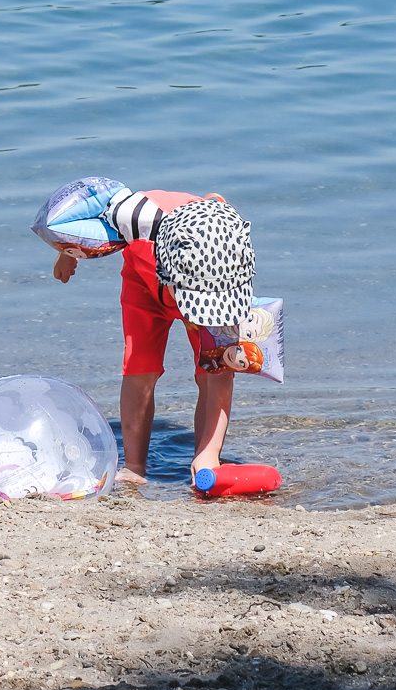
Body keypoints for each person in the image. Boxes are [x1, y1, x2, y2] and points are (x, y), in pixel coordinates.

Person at [49, 184, 256, 484]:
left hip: (213, 287)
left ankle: (207, 457)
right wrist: (68, 251)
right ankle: (135, 466)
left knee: (216, 366)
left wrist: (210, 452)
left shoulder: (229, 256)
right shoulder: (137, 217)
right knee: (139, 367)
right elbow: (90, 201)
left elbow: (221, 374)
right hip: (143, 283)